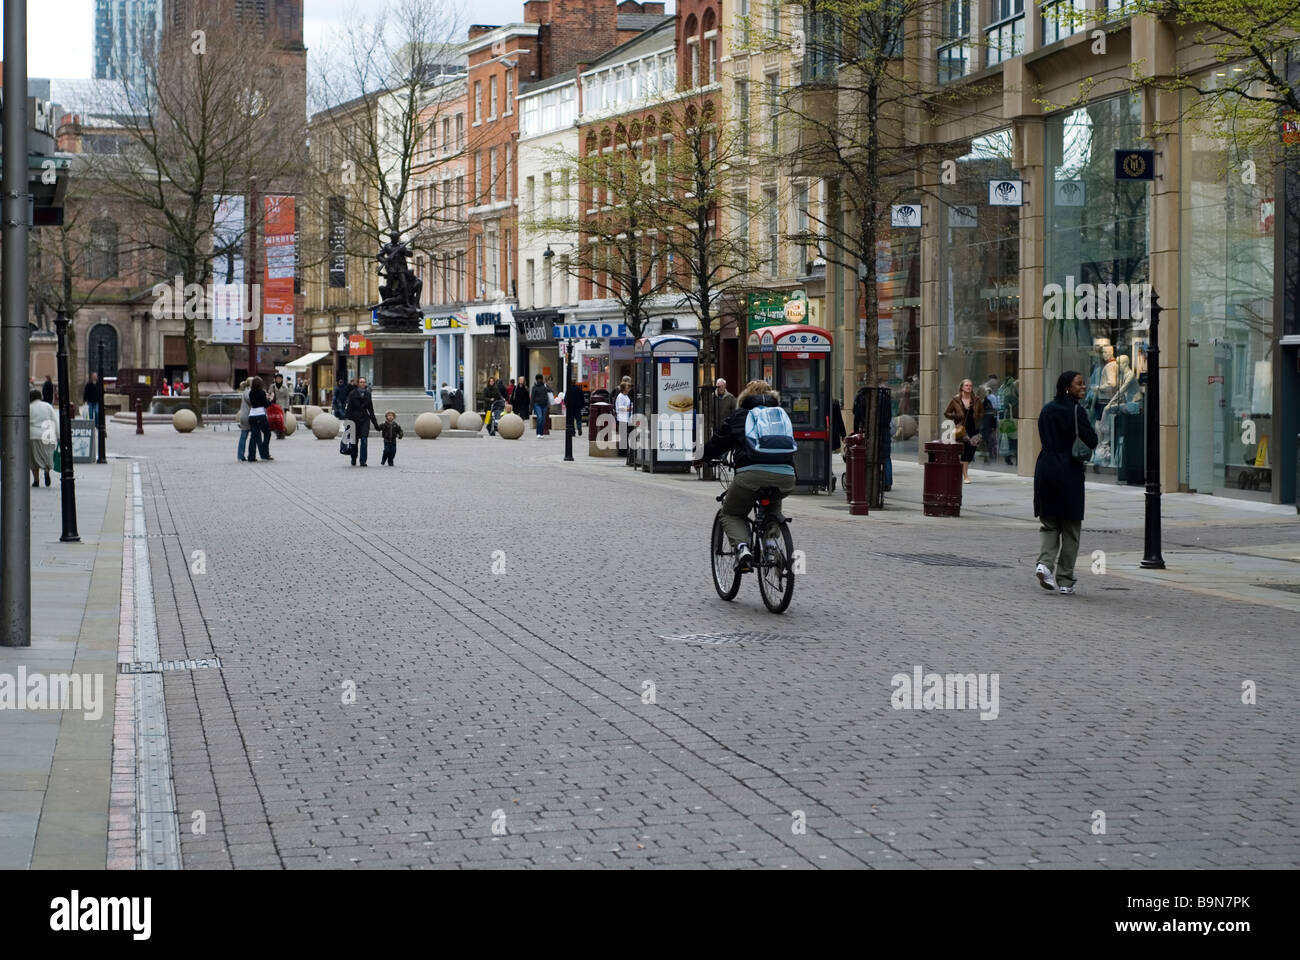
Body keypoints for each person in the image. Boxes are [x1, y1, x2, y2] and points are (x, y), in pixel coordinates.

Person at [698, 380, 797, 572]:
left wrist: (700, 457)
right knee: (773, 507)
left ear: (745, 395)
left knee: (731, 513)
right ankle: (770, 546)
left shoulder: (741, 415)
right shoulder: (780, 415)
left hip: (750, 475)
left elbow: (719, 441)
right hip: (786, 476)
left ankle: (742, 549)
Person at [1034, 371, 1098, 596]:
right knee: (1070, 528)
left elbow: (1042, 434)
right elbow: (1092, 440)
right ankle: (1065, 579)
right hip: (1068, 471)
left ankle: (1044, 564)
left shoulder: (1047, 409)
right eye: (1079, 384)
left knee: (1050, 522)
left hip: (1045, 468)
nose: (1084, 387)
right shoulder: (1076, 411)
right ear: (1066, 387)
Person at [944, 378, 983, 484]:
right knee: (964, 452)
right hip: (962, 429)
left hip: (974, 429)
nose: (969, 387)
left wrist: (977, 415)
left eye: (970, 385)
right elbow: (946, 413)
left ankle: (961, 472)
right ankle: (965, 476)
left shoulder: (976, 399)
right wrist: (957, 416)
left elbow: (981, 412)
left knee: (971, 453)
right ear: (962, 387)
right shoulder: (955, 400)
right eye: (966, 385)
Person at [344, 376, 381, 466]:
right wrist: (347, 421)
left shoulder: (368, 394)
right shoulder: (352, 393)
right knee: (354, 441)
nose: (362, 383)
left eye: (364, 382)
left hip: (365, 419)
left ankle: (363, 461)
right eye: (361, 382)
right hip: (354, 420)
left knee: (364, 440)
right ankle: (353, 458)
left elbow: (371, 410)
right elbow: (349, 408)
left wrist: (376, 425)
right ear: (358, 383)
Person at [29, 389, 57, 488]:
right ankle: (46, 470)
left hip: (33, 435)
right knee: (47, 455)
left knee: (33, 459)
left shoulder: (29, 407)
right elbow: (54, 420)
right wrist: (58, 435)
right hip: (48, 434)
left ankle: (36, 480)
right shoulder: (48, 406)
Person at [246, 377, 273, 462]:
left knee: (253, 436)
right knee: (267, 434)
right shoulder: (262, 392)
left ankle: (251, 456)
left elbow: (253, 403)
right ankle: (264, 453)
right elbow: (266, 405)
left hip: (252, 415)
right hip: (260, 415)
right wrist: (270, 399)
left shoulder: (251, 393)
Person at [271, 373, 291, 439]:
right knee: (275, 420)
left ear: (282, 379)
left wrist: (287, 407)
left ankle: (282, 434)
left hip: (282, 405)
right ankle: (277, 433)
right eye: (277, 378)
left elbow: (287, 397)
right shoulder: (272, 386)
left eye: (280, 378)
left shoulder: (285, 387)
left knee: (282, 420)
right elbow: (270, 395)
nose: (278, 379)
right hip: (274, 405)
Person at [236, 379, 252, 461]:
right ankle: (243, 455)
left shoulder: (247, 390)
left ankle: (241, 455)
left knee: (244, 436)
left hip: (245, 415)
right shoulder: (248, 391)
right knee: (246, 436)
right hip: (247, 416)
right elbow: (251, 401)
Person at [530, 373, 550, 438]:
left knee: (543, 419)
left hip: (544, 405)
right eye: (538, 379)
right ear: (536, 380)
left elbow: (550, 391)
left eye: (540, 379)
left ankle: (541, 433)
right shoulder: (534, 387)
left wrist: (547, 385)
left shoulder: (544, 387)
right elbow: (532, 397)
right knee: (540, 418)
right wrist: (531, 407)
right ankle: (538, 433)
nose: (539, 380)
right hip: (537, 404)